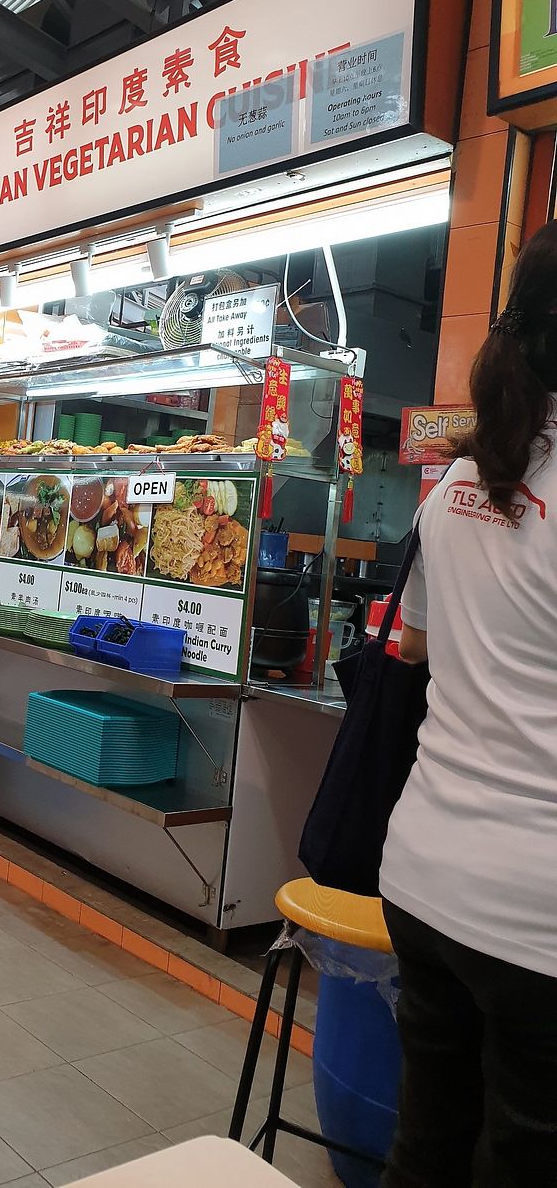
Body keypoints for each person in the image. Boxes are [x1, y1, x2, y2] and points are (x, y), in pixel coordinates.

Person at [379, 220, 557, 1187]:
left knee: (429, 1143)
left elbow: (417, 644)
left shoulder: (455, 481)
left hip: (424, 876)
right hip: (538, 918)